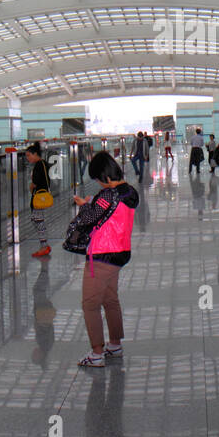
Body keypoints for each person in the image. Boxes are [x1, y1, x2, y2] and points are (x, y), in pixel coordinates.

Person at [72, 152, 140, 367]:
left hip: (102, 254)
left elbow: (90, 218)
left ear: (104, 176)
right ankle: (115, 344)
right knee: (110, 299)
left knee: (90, 304)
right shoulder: (130, 191)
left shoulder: (107, 195)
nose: (98, 183)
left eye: (98, 179)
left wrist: (83, 204)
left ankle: (97, 353)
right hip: (121, 252)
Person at [25, 143, 51, 258]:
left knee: (38, 221)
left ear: (35, 154)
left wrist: (31, 186)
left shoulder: (38, 165)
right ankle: (44, 245)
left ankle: (44, 246)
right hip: (41, 196)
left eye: (29, 155)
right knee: (36, 219)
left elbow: (35, 183)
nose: (28, 158)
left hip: (39, 197)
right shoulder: (43, 164)